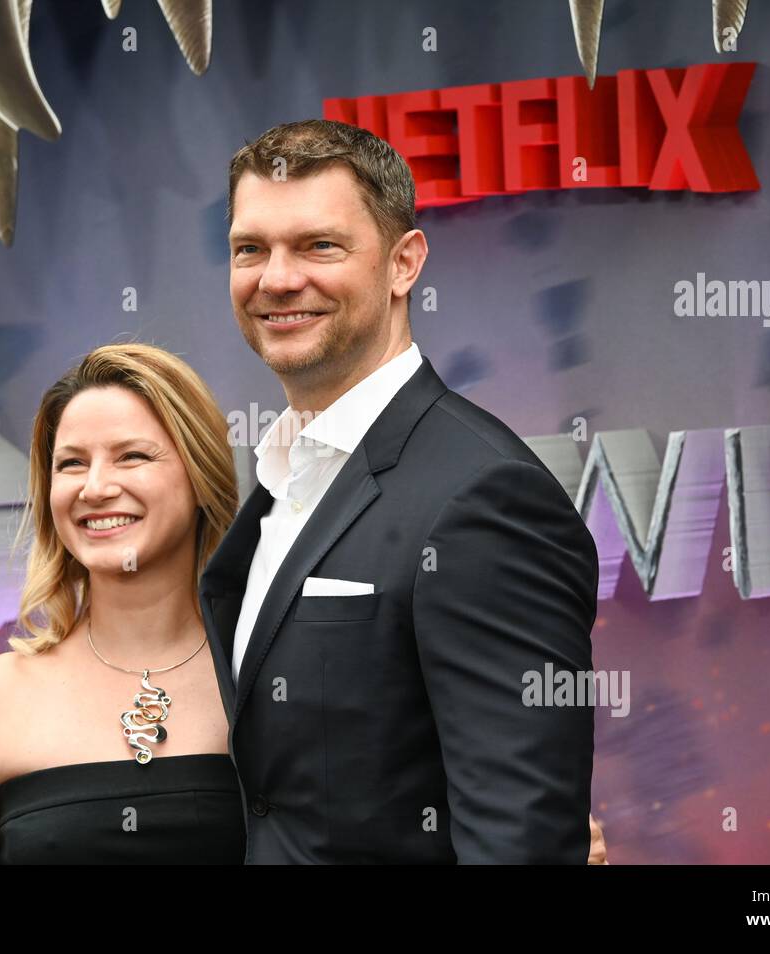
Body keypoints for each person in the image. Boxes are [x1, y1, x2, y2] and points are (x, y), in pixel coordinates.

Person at [199, 119, 603, 863]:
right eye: (250, 249)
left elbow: (523, 841)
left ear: (403, 262)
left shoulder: (484, 496)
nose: (277, 279)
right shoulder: (270, 484)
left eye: (319, 245)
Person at [0, 344, 245, 864]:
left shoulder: (264, 679)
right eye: (71, 464)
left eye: (132, 455)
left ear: (202, 476)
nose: (95, 488)